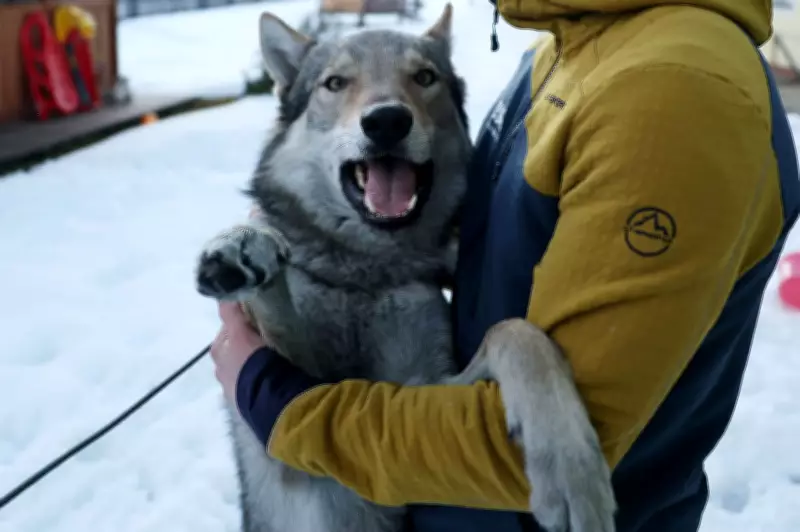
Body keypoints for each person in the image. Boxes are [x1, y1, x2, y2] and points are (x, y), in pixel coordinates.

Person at [210, 0, 800, 530]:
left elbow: (528, 455)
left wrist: (274, 400)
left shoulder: (670, 88)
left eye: (421, 78)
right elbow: (500, 246)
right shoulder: (560, 51)